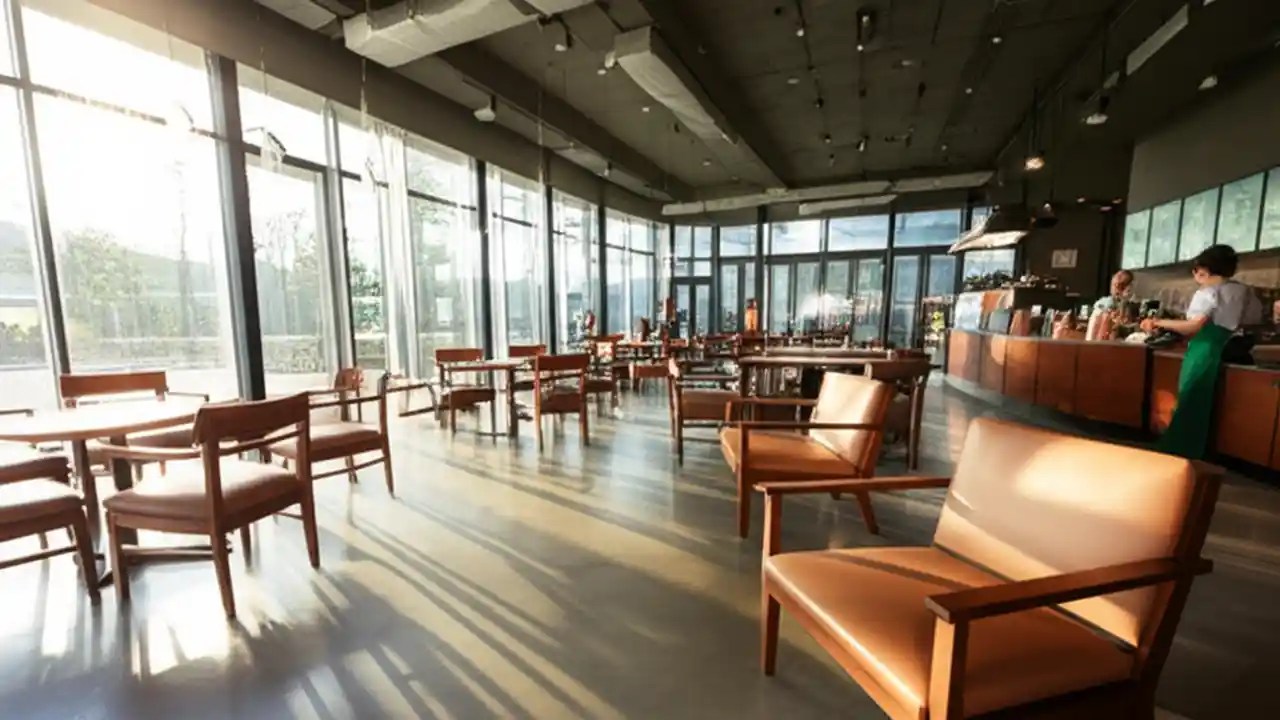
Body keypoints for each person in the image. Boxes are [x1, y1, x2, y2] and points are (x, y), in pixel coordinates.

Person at [1141, 245, 1262, 459]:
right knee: (1205, 403)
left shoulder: (1206, 293)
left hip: (1204, 347)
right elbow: (1253, 320)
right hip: (1227, 345)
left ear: (1202, 270)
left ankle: (1180, 450)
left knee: (1190, 398)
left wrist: (1157, 322)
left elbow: (1193, 326)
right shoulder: (1243, 291)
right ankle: (1198, 451)